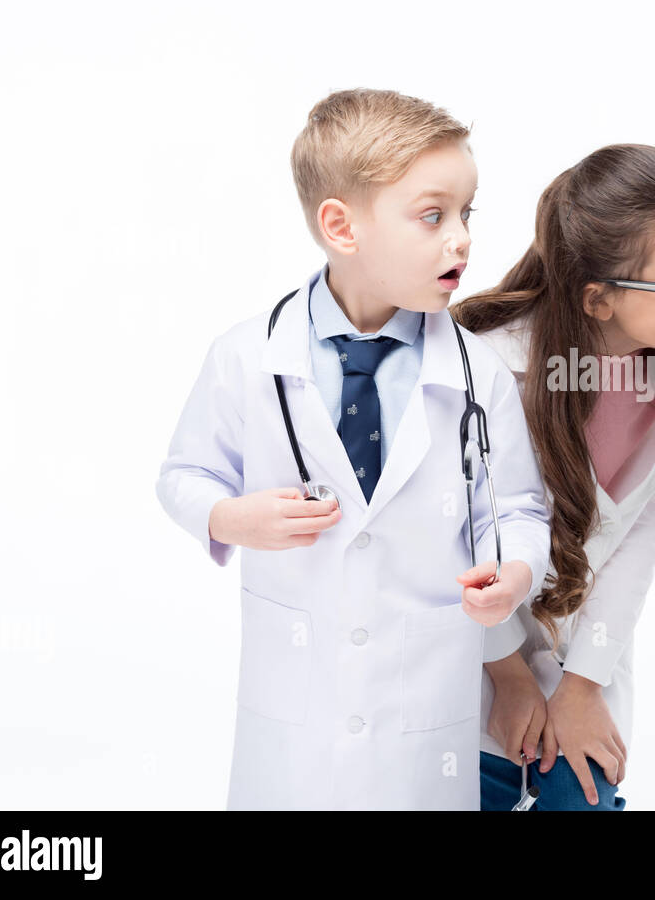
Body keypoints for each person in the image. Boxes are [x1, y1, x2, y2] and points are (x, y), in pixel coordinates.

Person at [155, 88, 551, 810]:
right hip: (295, 716)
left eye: (467, 214)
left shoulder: (476, 372)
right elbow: (184, 474)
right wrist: (227, 518)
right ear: (341, 226)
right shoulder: (247, 357)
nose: (460, 238)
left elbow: (517, 505)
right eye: (433, 215)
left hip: (425, 719)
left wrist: (516, 568)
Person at [452, 144, 655, 809]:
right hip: (475, 653)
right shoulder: (492, 370)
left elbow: (636, 543)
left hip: (582, 659)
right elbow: (458, 535)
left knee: (577, 793)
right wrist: (509, 672)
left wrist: (579, 687)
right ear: (599, 299)